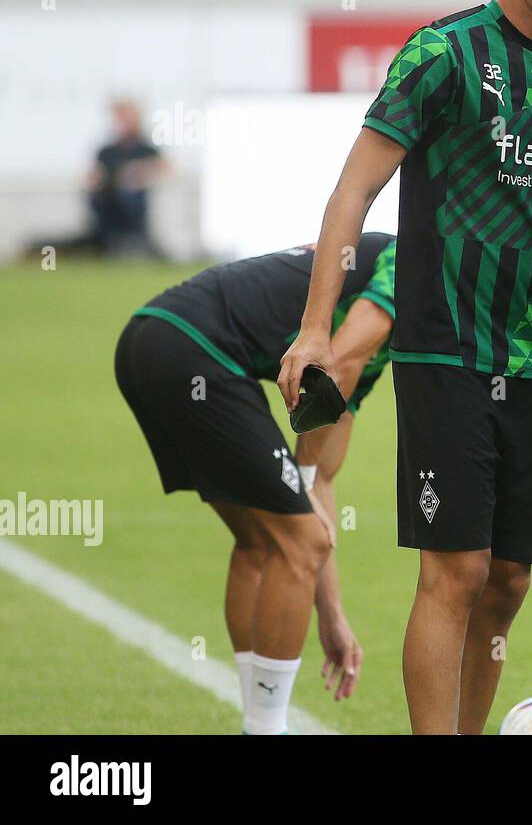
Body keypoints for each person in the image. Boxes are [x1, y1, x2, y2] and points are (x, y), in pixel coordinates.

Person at [277, 0, 532, 735]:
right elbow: (352, 194)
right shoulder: (442, 54)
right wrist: (316, 329)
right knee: (456, 572)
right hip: (446, 352)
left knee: (508, 580)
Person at [115, 232, 398, 733]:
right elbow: (341, 356)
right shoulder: (420, 259)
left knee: (263, 542)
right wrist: (307, 509)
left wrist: (331, 615)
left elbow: (318, 480)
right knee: (296, 542)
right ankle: (265, 730)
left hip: (150, 340)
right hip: (194, 348)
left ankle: (257, 721)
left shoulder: (371, 351)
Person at [85, 98, 170, 256]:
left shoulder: (145, 148)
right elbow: (94, 175)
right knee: (97, 199)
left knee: (129, 196)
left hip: (134, 197)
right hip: (108, 197)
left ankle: (136, 242)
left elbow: (165, 168)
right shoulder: (107, 151)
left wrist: (139, 172)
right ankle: (106, 243)